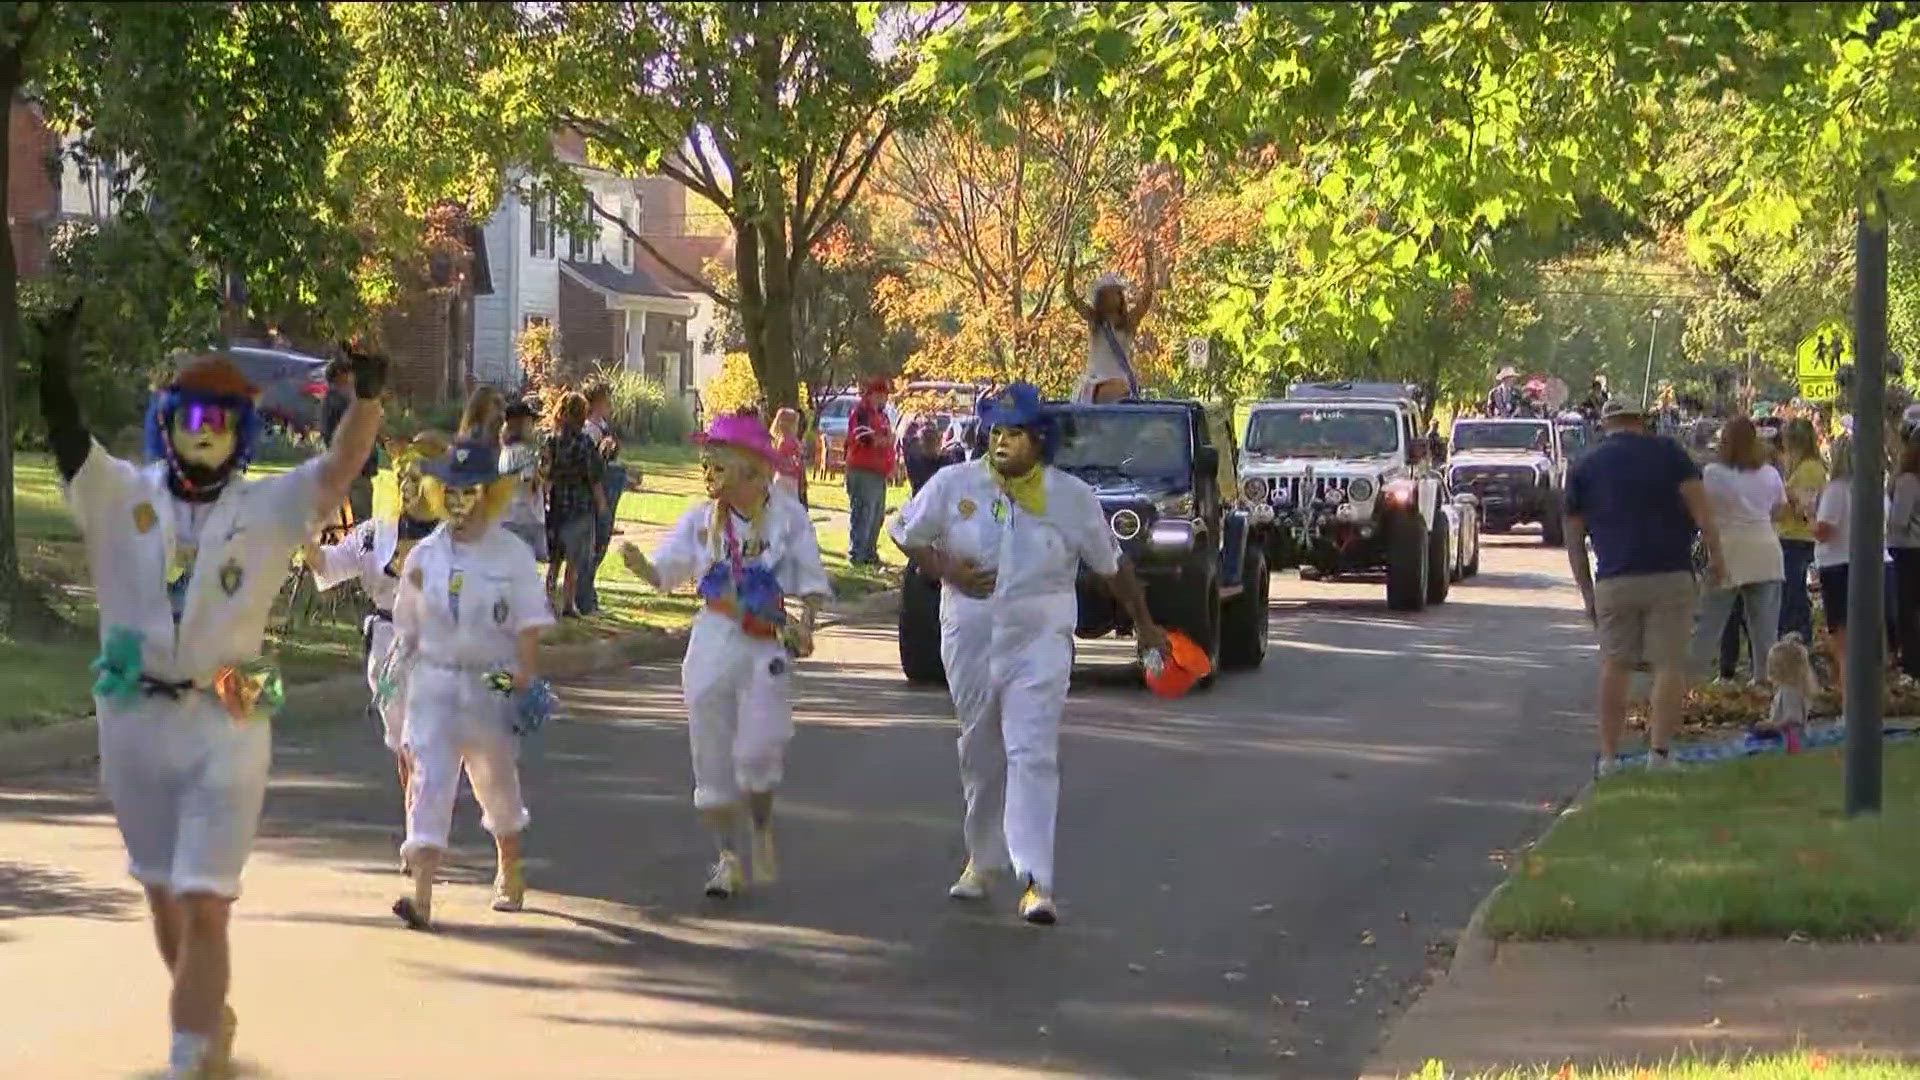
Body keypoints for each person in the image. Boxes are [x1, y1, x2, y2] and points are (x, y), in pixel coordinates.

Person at [36, 298, 386, 1080]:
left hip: (228, 715)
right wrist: (53, 372)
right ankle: (208, 1018)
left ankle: (188, 1058)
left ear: (240, 432)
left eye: (221, 421)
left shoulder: (267, 505)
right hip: (132, 717)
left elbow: (338, 469)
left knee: (205, 901)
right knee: (164, 900)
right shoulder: (121, 494)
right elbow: (67, 447)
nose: (206, 432)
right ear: (169, 423)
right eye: (192, 417)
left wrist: (365, 401)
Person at [890, 382, 1170, 925]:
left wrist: (1145, 624)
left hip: (1040, 635)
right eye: (996, 431)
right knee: (980, 749)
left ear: (1040, 440)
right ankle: (982, 858)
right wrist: (946, 568)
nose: (1002, 442)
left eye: (1015, 433)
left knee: (1031, 748)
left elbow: (1112, 565)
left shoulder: (1071, 498)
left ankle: (1036, 879)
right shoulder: (955, 483)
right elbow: (904, 530)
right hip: (970, 632)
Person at [619, 414, 831, 898]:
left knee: (759, 749)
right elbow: (667, 572)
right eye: (707, 455)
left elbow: (809, 574)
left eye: (720, 457)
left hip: (763, 643)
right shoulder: (699, 520)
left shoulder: (787, 517)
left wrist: (805, 624)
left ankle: (760, 822)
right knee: (710, 753)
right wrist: (643, 568)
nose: (708, 465)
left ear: (753, 471)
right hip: (714, 635)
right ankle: (726, 857)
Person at [383, 439, 554, 931]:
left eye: (469, 490)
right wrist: (396, 678)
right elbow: (406, 625)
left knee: (495, 781)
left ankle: (509, 866)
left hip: (488, 682)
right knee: (428, 780)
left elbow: (527, 621)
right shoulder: (424, 557)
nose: (458, 500)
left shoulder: (512, 555)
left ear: (491, 493)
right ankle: (420, 895)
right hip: (434, 682)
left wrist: (522, 673)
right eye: (450, 490)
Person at [1565, 398, 1724, 776]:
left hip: (1615, 577)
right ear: (1641, 422)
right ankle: (1659, 753)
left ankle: (1608, 757)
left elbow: (1574, 539)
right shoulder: (1671, 454)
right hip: (1670, 573)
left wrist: (1587, 591)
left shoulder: (1584, 465)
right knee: (1668, 665)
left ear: (1605, 425)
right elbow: (1703, 512)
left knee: (1615, 666)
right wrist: (1718, 560)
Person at [302, 431, 450, 836]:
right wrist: (308, 537)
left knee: (425, 744)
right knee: (404, 745)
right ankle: (417, 826)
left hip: (437, 648)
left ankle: (422, 836)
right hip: (385, 651)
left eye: (419, 475)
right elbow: (329, 567)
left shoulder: (456, 539)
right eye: (404, 473)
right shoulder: (374, 533)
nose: (408, 483)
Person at [1689, 417, 1786, 682]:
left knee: (1710, 625)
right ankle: (1766, 684)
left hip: (1728, 549)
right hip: (1765, 549)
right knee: (1765, 630)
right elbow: (1778, 509)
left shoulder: (1713, 473)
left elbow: (1704, 510)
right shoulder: (1770, 473)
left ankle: (1691, 685)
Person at [542, 391, 606, 618]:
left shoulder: (551, 442)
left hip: (558, 504)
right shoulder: (584, 443)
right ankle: (568, 604)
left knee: (555, 558)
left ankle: (547, 600)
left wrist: (545, 497)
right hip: (580, 505)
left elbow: (546, 474)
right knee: (574, 559)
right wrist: (601, 504)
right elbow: (594, 475)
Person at [1067, 250, 1155, 404]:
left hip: (1122, 381)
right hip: (1095, 382)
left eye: (1115, 293)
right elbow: (1071, 295)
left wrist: (1149, 263)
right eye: (1107, 293)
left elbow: (1147, 297)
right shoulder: (1095, 321)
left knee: (1120, 389)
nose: (1112, 297)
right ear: (1100, 298)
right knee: (1114, 390)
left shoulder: (1128, 322)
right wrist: (1070, 264)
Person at [576, 380, 628, 616]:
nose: (610, 404)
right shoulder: (589, 429)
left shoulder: (604, 426)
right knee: (594, 545)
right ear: (596, 402)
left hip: (610, 488)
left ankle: (588, 594)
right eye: (606, 399)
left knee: (602, 542)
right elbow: (592, 466)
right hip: (597, 494)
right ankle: (584, 598)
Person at [1814, 435, 1858, 706]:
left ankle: (1850, 702)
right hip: (1863, 564)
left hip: (1836, 565)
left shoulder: (1836, 490)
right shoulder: (1871, 488)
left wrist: (1809, 518)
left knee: (1842, 642)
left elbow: (1824, 531)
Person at [1776, 418, 1827, 644]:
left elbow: (1805, 507)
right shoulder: (1803, 468)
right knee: (1791, 593)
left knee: (1793, 595)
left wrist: (1786, 498)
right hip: (1792, 536)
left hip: (1796, 537)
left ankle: (1797, 639)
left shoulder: (1808, 470)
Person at [322, 355, 379, 521]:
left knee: (353, 514)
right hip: (355, 469)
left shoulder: (337, 400)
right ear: (341, 375)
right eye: (350, 374)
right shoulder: (341, 401)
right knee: (361, 516)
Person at [845, 377, 894, 567]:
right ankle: (857, 555)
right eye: (883, 395)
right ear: (874, 394)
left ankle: (869, 553)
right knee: (863, 513)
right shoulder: (862, 411)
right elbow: (863, 437)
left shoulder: (882, 415)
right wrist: (885, 440)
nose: (886, 400)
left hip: (878, 471)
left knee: (877, 515)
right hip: (862, 469)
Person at [1887, 433, 1920, 683]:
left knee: (1907, 609)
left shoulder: (1908, 480)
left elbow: (1900, 520)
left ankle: (1911, 663)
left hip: (1908, 549)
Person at [498, 398, 547, 561]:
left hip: (506, 516)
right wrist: (542, 473)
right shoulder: (524, 453)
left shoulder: (505, 451)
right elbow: (528, 481)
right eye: (530, 422)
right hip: (524, 518)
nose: (533, 426)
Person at [905, 419, 963, 495]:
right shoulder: (915, 462)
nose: (930, 445)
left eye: (932, 441)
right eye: (928, 442)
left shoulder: (946, 462)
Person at [770, 406, 809, 506]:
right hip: (788, 478)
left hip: (783, 478)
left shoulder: (780, 441)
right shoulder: (790, 442)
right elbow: (797, 463)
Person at [457, 384, 506, 451]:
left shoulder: (499, 429)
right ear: (483, 405)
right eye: (496, 403)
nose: (500, 408)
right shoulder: (474, 432)